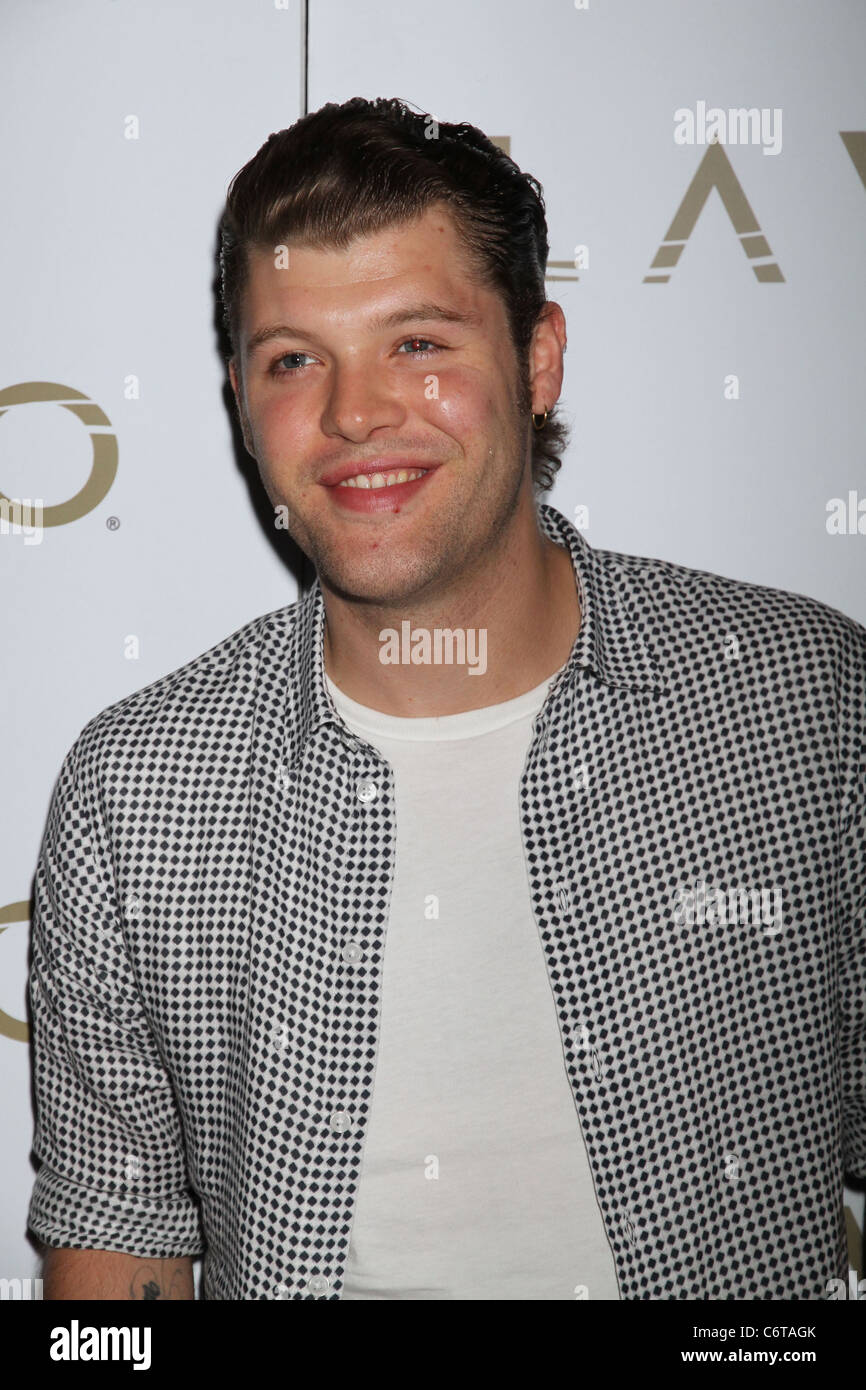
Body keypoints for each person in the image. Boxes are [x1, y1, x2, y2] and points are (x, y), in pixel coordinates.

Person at [28, 97, 865, 1301]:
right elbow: (115, 1253)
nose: (355, 412)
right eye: (293, 359)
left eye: (417, 343)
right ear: (239, 402)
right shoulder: (136, 790)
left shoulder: (804, 703)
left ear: (536, 360)